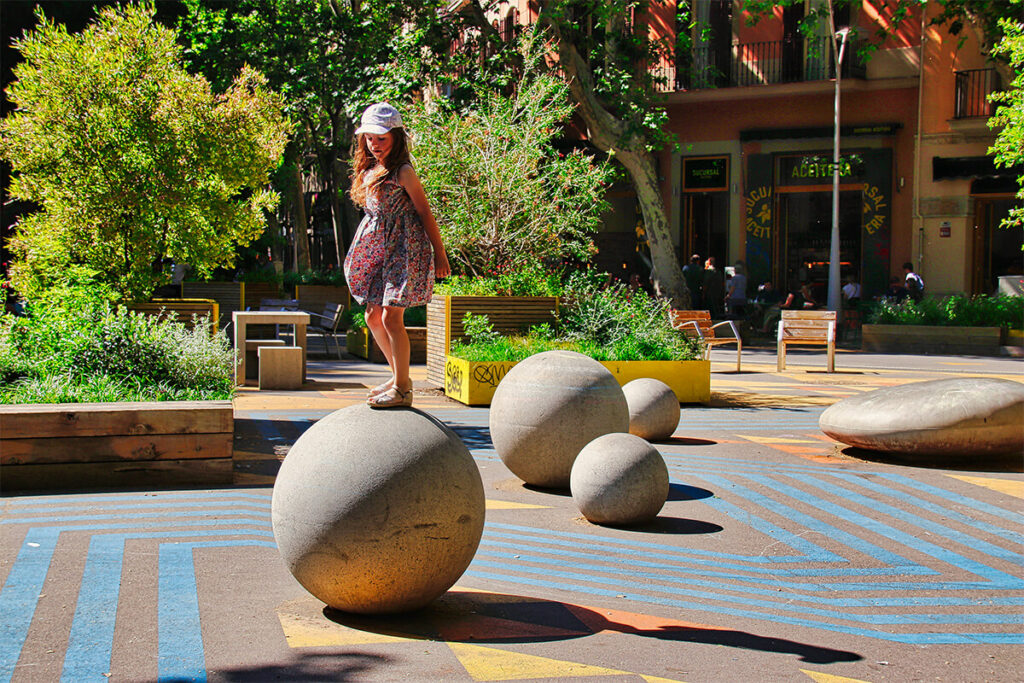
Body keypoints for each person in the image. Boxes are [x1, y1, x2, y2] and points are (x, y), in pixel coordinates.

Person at [344, 102, 450, 408]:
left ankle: (404, 389)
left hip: (405, 248)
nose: (374, 145)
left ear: (397, 138)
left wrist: (439, 254)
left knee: (391, 316)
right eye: (369, 138)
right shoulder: (369, 170)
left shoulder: (403, 171)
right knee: (372, 315)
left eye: (382, 139)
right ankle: (397, 377)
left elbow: (423, 211)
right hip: (381, 250)